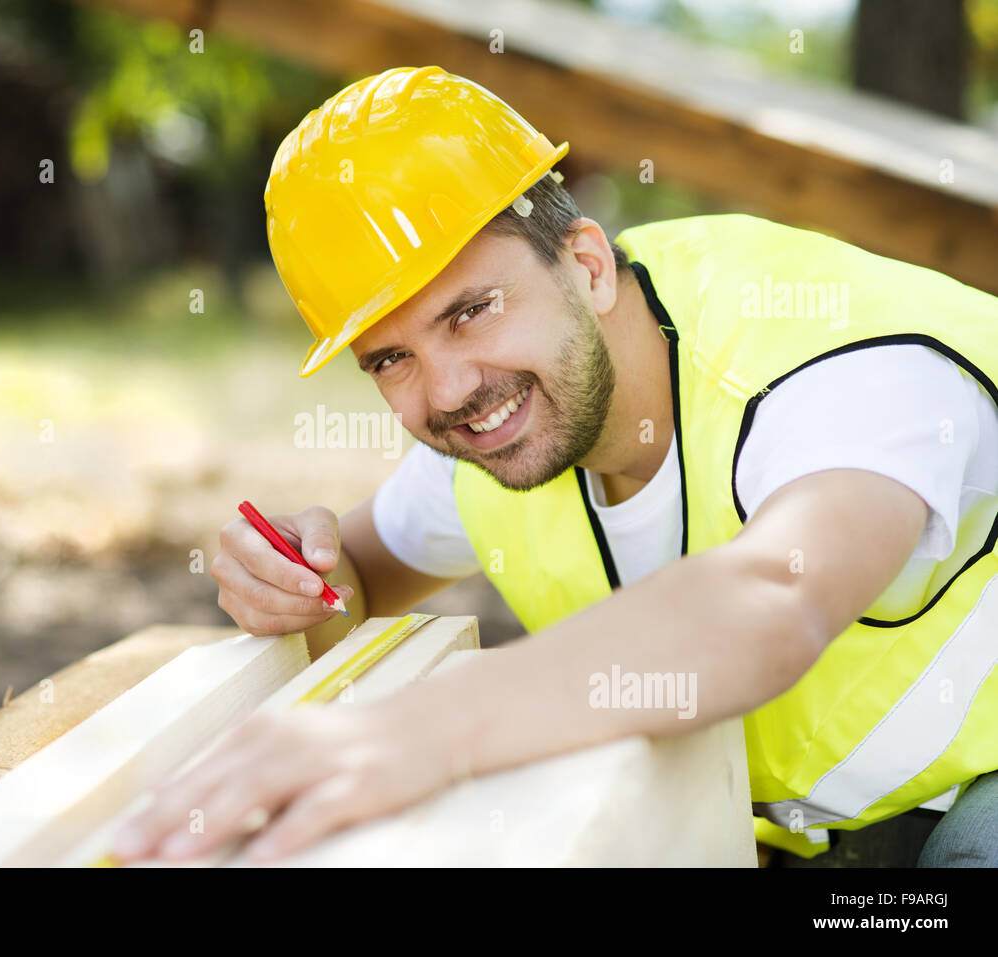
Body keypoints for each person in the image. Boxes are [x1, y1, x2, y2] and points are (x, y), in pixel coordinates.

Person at [113, 66, 998, 866]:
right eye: (390, 359)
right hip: (816, 838)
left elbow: (772, 602)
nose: (452, 390)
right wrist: (292, 571)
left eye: (472, 311)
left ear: (586, 266)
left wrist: (423, 731)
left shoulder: (840, 361)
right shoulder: (504, 431)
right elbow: (352, 579)